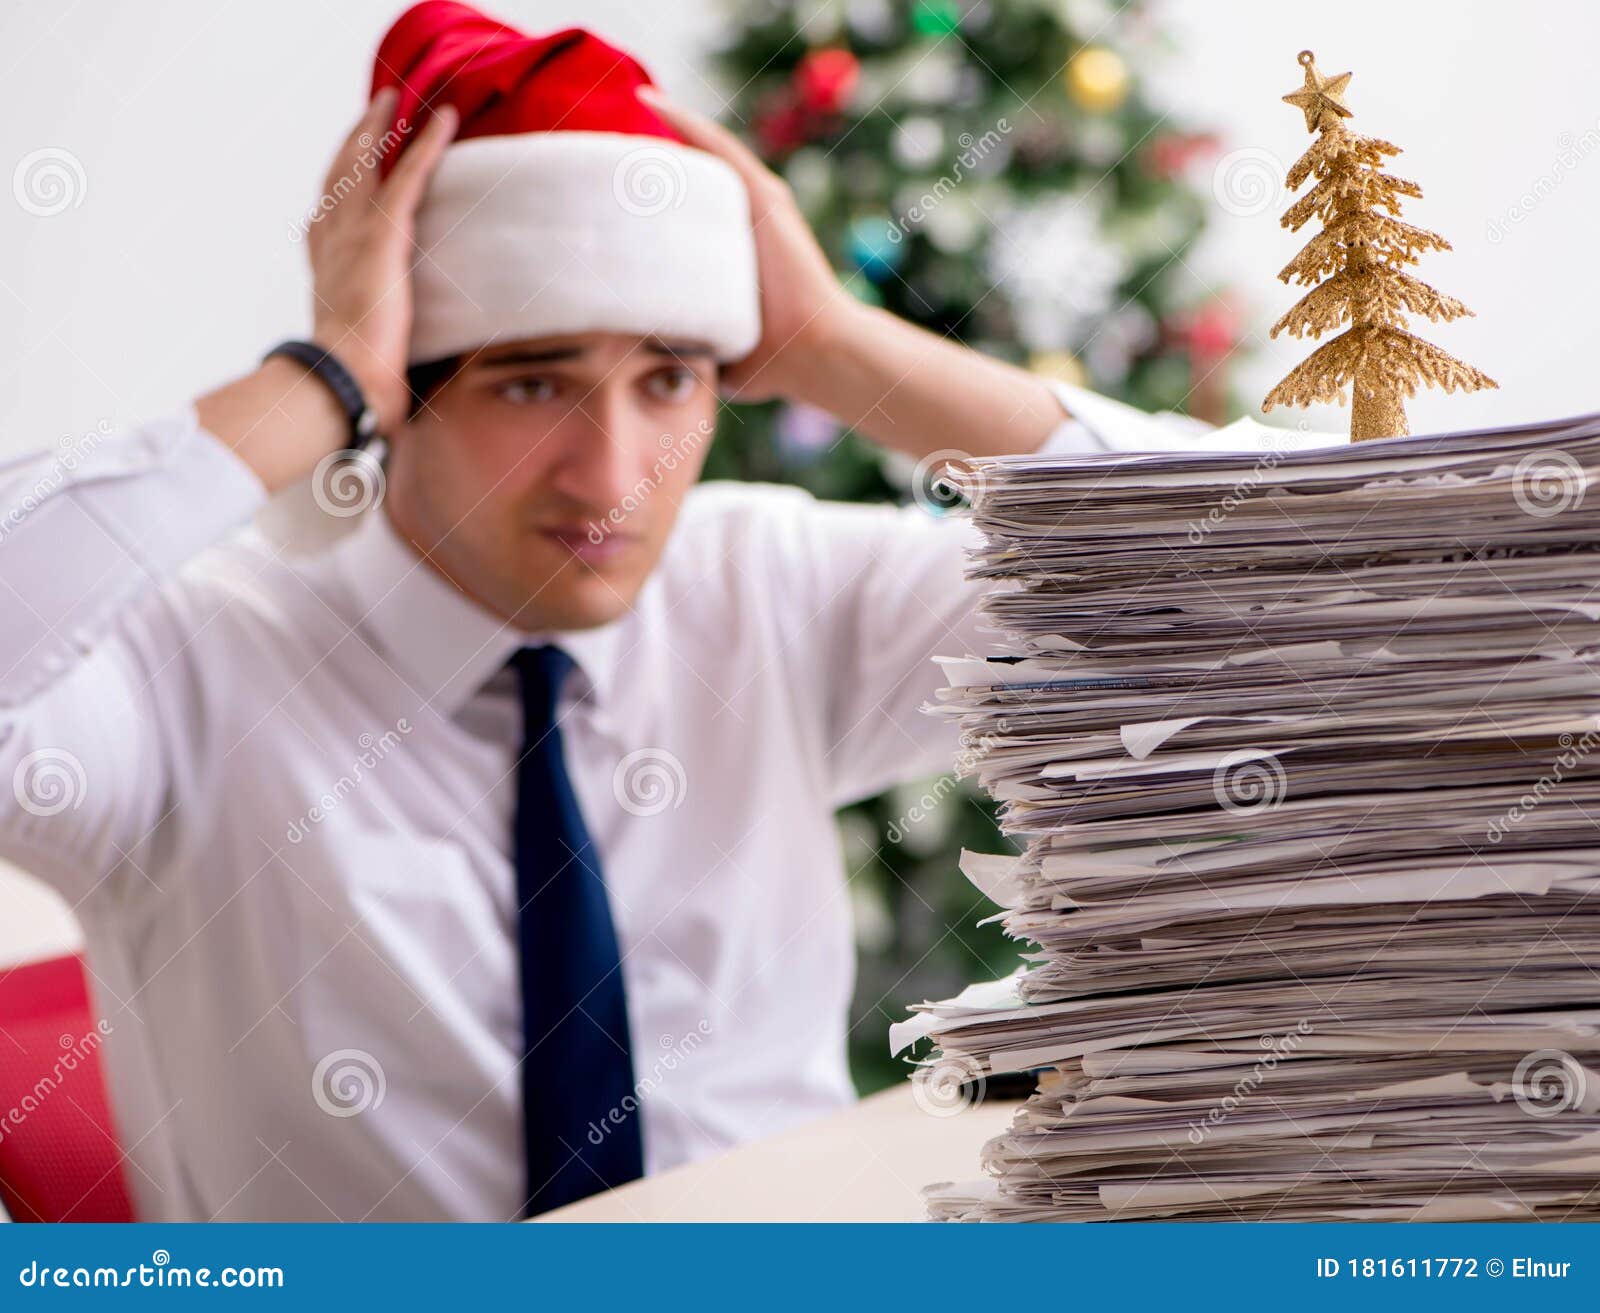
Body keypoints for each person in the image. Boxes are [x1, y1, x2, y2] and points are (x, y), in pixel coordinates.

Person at [0, 2, 1296, 1221]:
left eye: (668, 379)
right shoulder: (191, 669)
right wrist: (320, 371)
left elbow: (1256, 574)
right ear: (400, 398)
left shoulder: (765, 588)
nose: (613, 477)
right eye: (529, 385)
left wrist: (831, 340)